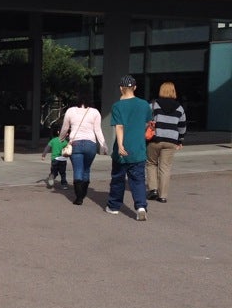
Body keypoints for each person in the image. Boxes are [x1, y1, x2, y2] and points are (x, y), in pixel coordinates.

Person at [105, 74, 153, 220]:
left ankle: (114, 206)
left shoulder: (117, 106)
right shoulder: (144, 104)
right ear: (135, 87)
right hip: (138, 148)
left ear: (121, 88)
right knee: (138, 179)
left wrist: (120, 145)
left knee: (118, 178)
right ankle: (140, 206)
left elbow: (119, 127)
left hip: (122, 150)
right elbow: (147, 123)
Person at [58, 91, 107, 204]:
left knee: (78, 169)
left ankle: (79, 197)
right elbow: (98, 130)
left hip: (76, 143)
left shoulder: (70, 111)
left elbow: (65, 128)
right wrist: (104, 145)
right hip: (91, 144)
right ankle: (83, 192)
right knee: (86, 168)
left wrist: (61, 138)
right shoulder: (95, 112)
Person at [145, 81, 186, 203]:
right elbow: (182, 126)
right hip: (171, 140)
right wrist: (180, 140)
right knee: (165, 167)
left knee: (151, 163)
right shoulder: (180, 108)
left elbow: (146, 122)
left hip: (155, 139)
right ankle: (162, 196)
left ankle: (153, 189)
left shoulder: (153, 105)